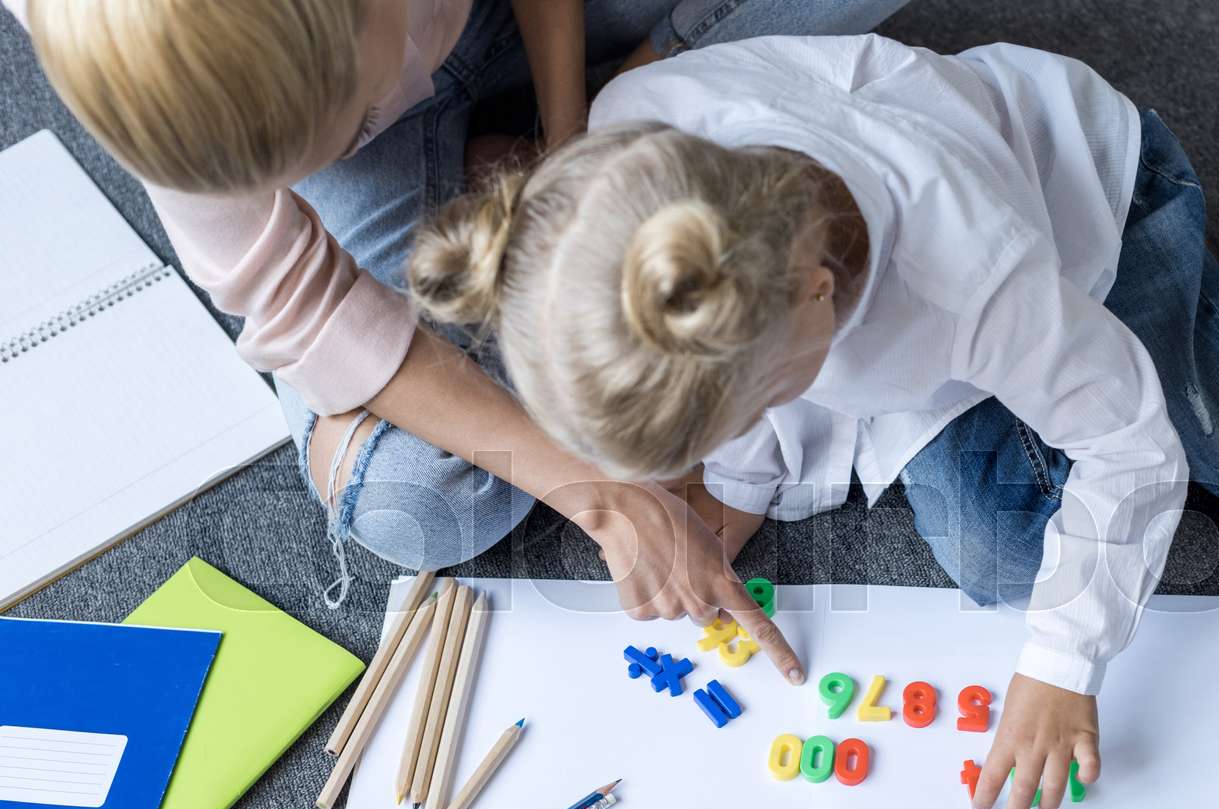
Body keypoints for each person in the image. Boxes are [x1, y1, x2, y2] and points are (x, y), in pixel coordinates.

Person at [404, 34, 1219, 809]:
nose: (752, 436)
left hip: (1092, 219)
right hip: (943, 318)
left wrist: (1061, 667)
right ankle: (1216, 316)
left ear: (813, 299)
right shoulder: (645, 148)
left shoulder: (968, 279)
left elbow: (1132, 447)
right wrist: (728, 504)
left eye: (759, 410)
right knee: (988, 551)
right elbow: (779, 388)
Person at [8, 1, 904, 681]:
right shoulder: (145, 71)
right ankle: (505, 174)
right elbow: (298, 296)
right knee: (417, 497)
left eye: (351, 114)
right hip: (380, 151)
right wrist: (599, 495)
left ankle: (529, 157)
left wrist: (572, 156)